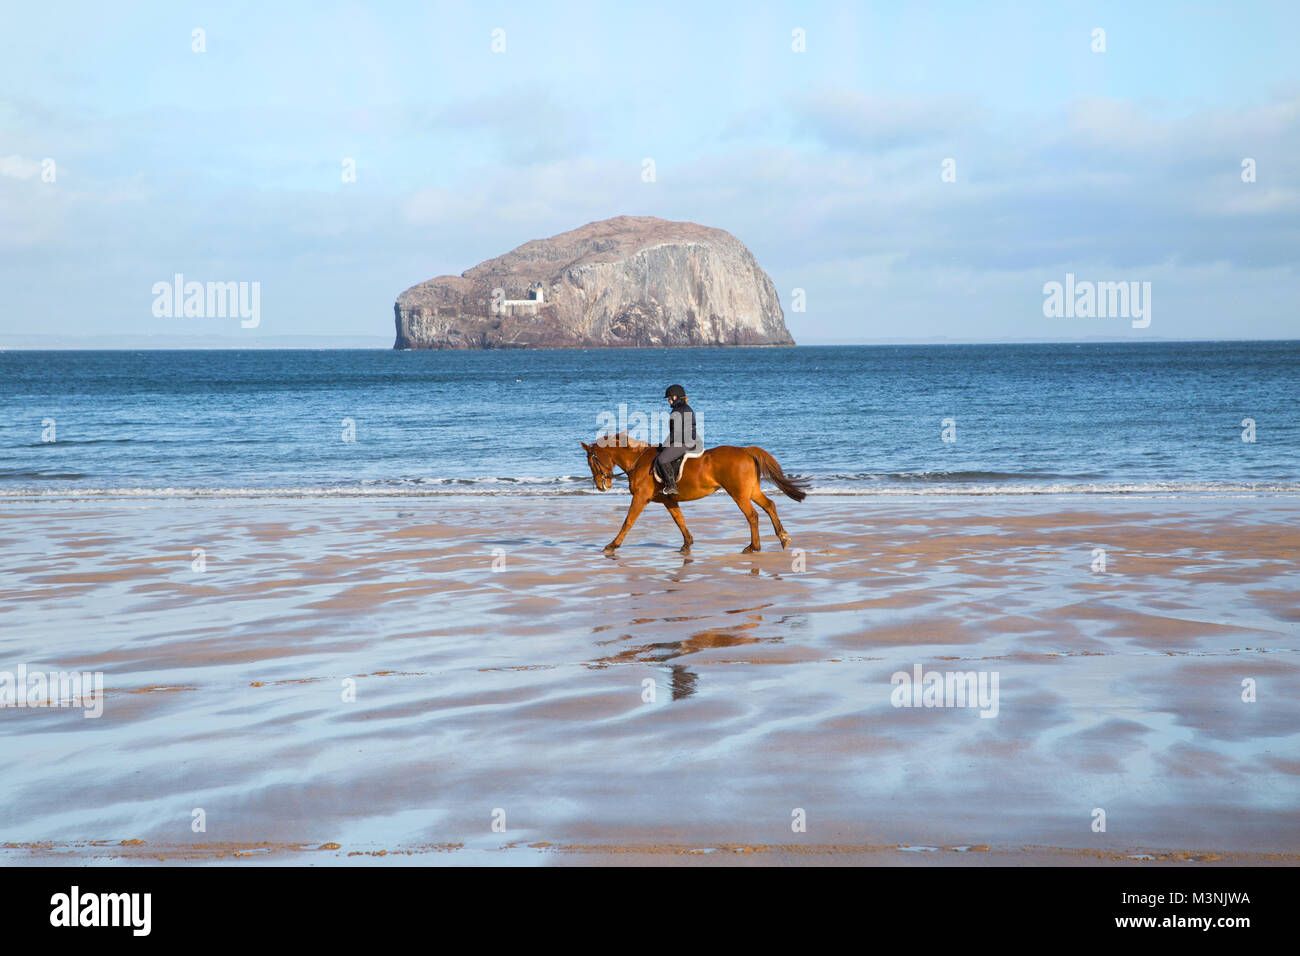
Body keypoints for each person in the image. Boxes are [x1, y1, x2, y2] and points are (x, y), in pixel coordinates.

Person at [656, 384, 700, 496]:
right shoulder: (685, 408)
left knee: (662, 459)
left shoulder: (678, 411)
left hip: (684, 441)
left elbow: (675, 433)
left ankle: (671, 486)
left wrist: (664, 445)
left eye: (669, 398)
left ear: (675, 397)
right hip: (687, 439)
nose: (668, 401)